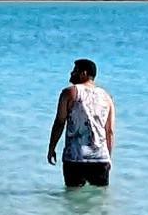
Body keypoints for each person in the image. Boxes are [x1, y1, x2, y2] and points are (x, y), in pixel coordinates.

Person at [47, 57, 115, 189]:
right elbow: (110, 131)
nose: (71, 73)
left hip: (75, 158)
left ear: (84, 73)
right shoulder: (107, 97)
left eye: (74, 70)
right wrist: (108, 158)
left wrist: (51, 147)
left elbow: (60, 122)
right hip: (100, 159)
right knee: (99, 202)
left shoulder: (70, 93)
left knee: (73, 202)